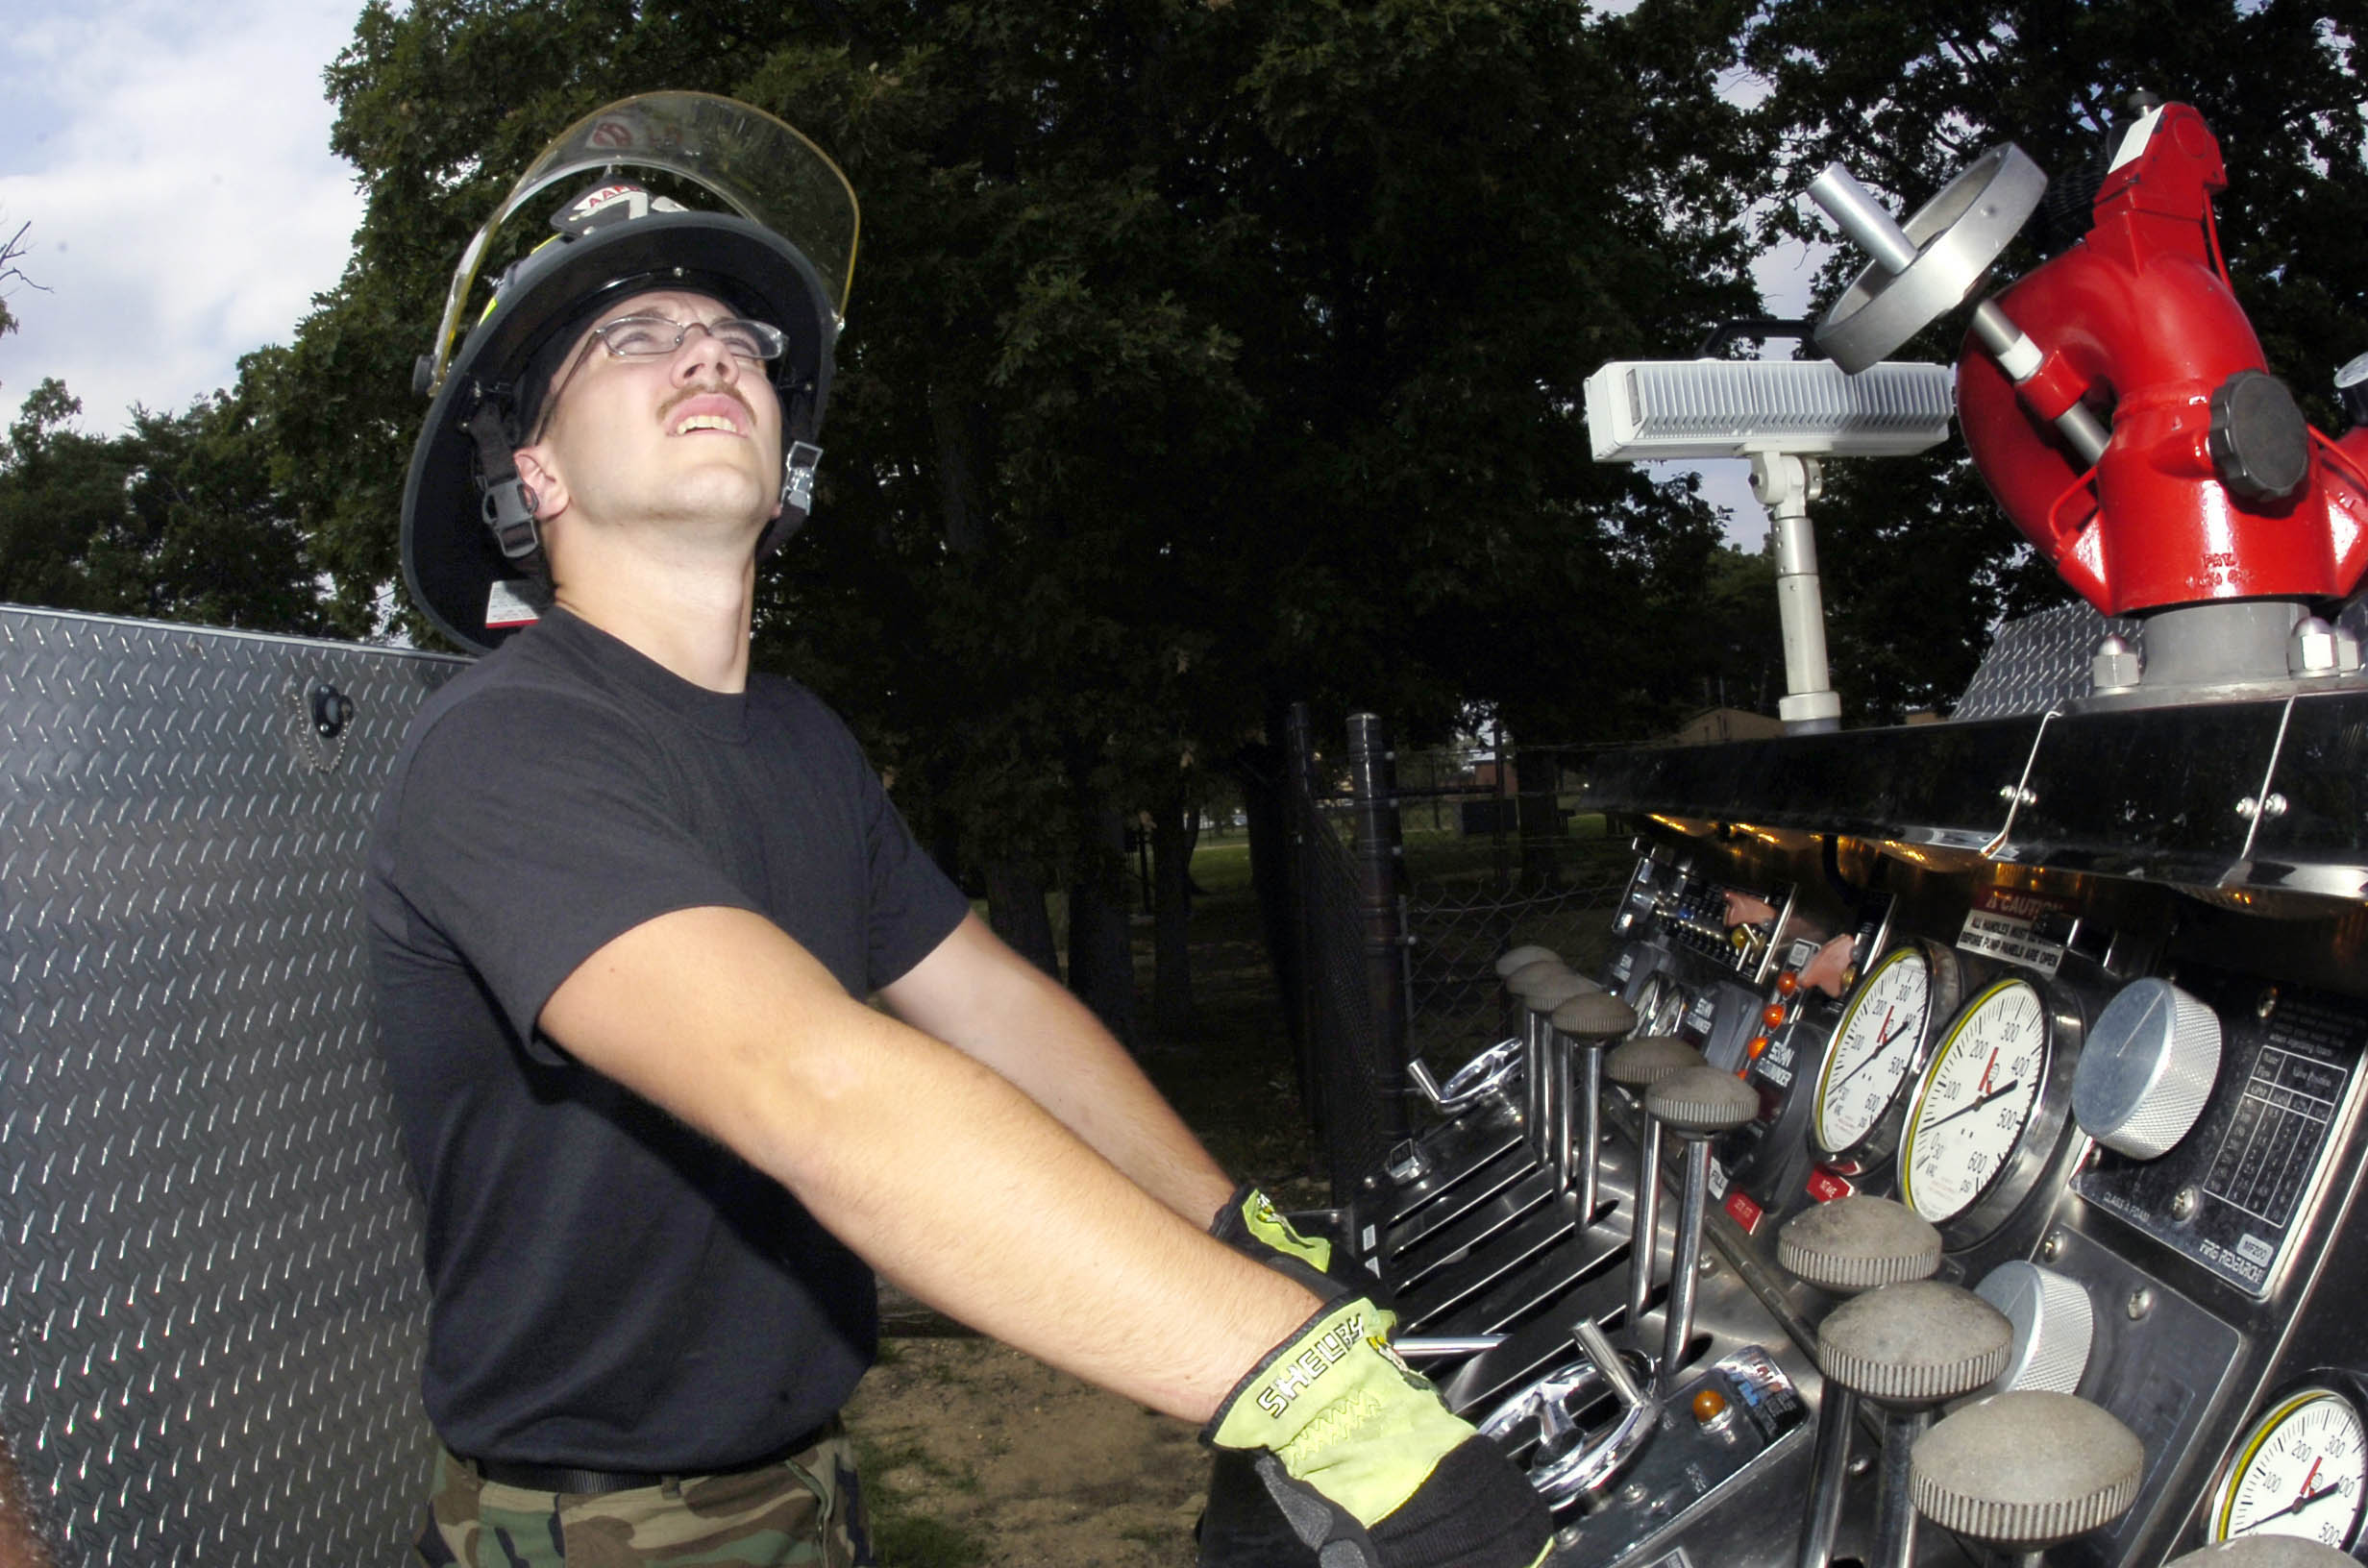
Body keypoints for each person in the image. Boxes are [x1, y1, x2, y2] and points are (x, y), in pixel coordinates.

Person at [373, 92, 1550, 1568]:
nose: (710, 355)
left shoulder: (799, 741)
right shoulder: (508, 747)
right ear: (532, 471)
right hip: (599, 1524)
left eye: (738, 342)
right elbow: (814, 1087)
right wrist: (1313, 1398)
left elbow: (990, 1005)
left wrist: (1226, 1226)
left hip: (805, 1478)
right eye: (635, 339)